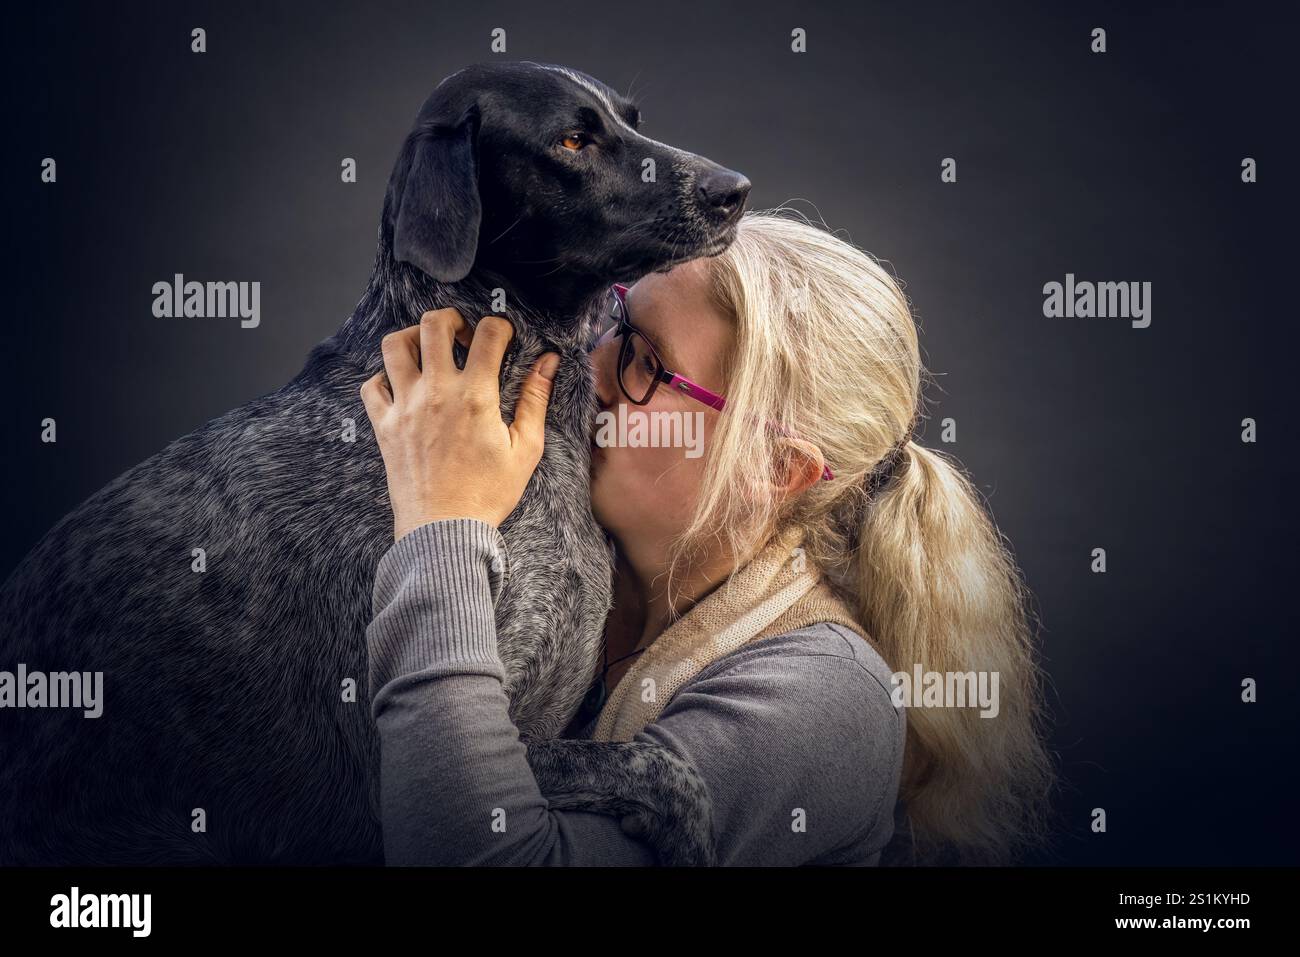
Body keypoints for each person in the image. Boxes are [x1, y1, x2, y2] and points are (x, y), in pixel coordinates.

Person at [359, 209, 1056, 866]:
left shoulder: (828, 697)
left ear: (773, 466)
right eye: (612, 322)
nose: (586, 369)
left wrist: (442, 524)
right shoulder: (562, 572)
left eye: (642, 361)